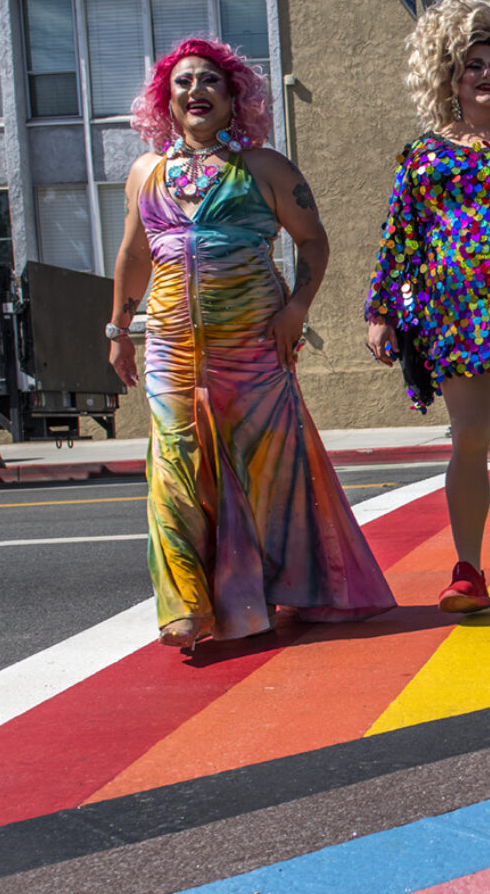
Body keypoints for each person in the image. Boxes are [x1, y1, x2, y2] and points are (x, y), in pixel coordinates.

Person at [108, 37, 392, 651]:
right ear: (166, 100)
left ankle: (279, 586)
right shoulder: (145, 174)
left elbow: (314, 242)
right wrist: (117, 330)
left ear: (235, 97)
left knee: (267, 473)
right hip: (169, 347)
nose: (195, 91)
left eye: (209, 80)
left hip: (253, 347)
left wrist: (297, 309)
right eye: (182, 82)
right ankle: (185, 604)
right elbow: (133, 256)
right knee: (173, 468)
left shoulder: (266, 168)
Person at [365, 0, 490, 614]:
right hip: (456, 316)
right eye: (472, 65)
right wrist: (381, 310)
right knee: (468, 438)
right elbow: (401, 236)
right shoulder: (422, 154)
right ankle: (467, 567)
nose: (486, 74)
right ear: (450, 76)